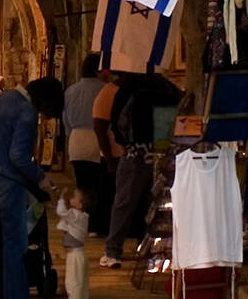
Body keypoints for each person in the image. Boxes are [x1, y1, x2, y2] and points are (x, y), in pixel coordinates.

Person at [0, 76, 64, 299]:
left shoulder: (1, 100)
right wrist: (41, 179)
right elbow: (18, 156)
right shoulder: (26, 112)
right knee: (14, 242)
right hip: (9, 183)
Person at [102, 72, 182, 267]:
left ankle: (113, 251)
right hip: (163, 150)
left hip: (136, 151)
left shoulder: (129, 88)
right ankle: (157, 250)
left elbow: (119, 121)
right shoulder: (166, 85)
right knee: (159, 202)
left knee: (124, 201)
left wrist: (124, 143)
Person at [61, 52, 105, 224]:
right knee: (97, 185)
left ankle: (82, 220)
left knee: (82, 184)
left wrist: (69, 133)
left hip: (76, 140)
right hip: (95, 138)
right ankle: (96, 223)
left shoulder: (71, 90)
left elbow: (65, 119)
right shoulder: (103, 89)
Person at [90, 70, 123, 242]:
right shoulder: (108, 92)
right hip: (114, 153)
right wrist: (109, 158)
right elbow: (100, 127)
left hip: (125, 153)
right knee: (108, 193)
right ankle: (101, 227)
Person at [57, 187, 92, 299]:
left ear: (80, 204)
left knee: (73, 281)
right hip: (80, 253)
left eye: (74, 197)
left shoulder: (74, 214)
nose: (70, 199)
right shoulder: (82, 216)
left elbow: (61, 212)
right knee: (81, 281)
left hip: (74, 255)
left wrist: (61, 198)